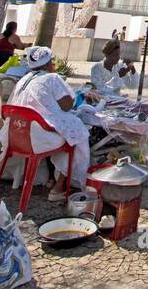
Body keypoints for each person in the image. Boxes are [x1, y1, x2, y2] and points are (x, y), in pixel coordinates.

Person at [8, 45, 90, 192]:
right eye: (51, 61)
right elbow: (67, 105)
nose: (53, 64)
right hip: (37, 139)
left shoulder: (23, 79)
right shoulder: (52, 78)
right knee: (77, 134)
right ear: (46, 63)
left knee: (57, 128)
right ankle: (60, 186)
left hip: (16, 136)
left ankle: (51, 178)